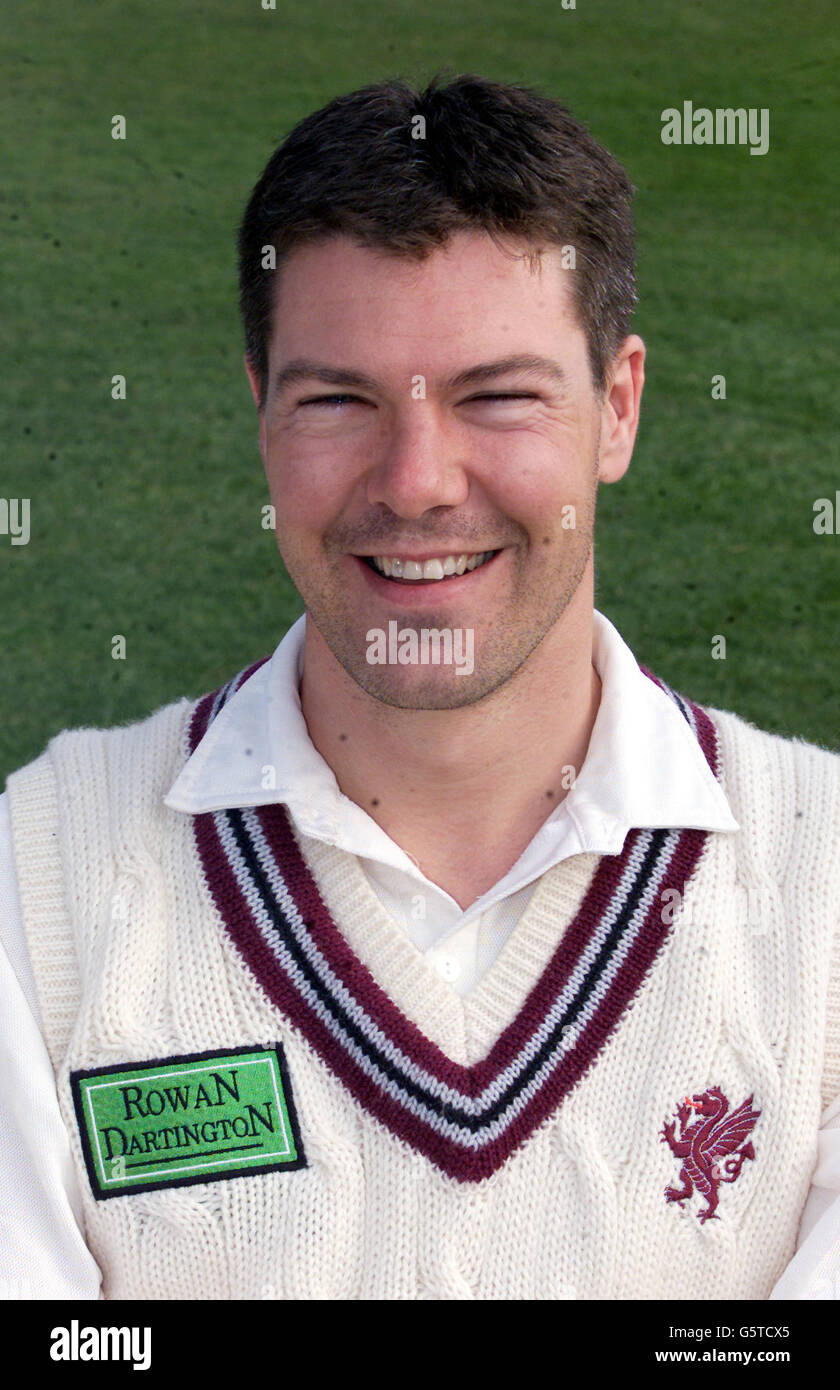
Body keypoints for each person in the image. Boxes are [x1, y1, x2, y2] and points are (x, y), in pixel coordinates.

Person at [1, 72, 838, 1301]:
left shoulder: (822, 886)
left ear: (618, 407)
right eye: (337, 399)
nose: (417, 481)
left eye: (497, 395)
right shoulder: (40, 874)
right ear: (260, 416)